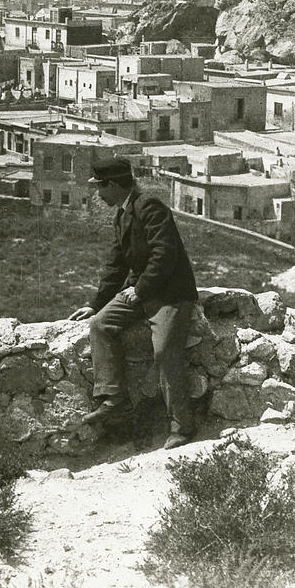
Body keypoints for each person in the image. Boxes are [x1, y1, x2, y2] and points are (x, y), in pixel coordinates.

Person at [68, 157, 198, 450]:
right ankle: (114, 398)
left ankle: (182, 426)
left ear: (114, 185)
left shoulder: (149, 206)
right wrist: (96, 303)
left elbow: (164, 255)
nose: (98, 194)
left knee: (164, 351)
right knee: (100, 324)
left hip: (169, 295)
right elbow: (116, 265)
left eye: (100, 187)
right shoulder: (122, 214)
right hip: (142, 291)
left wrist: (139, 290)